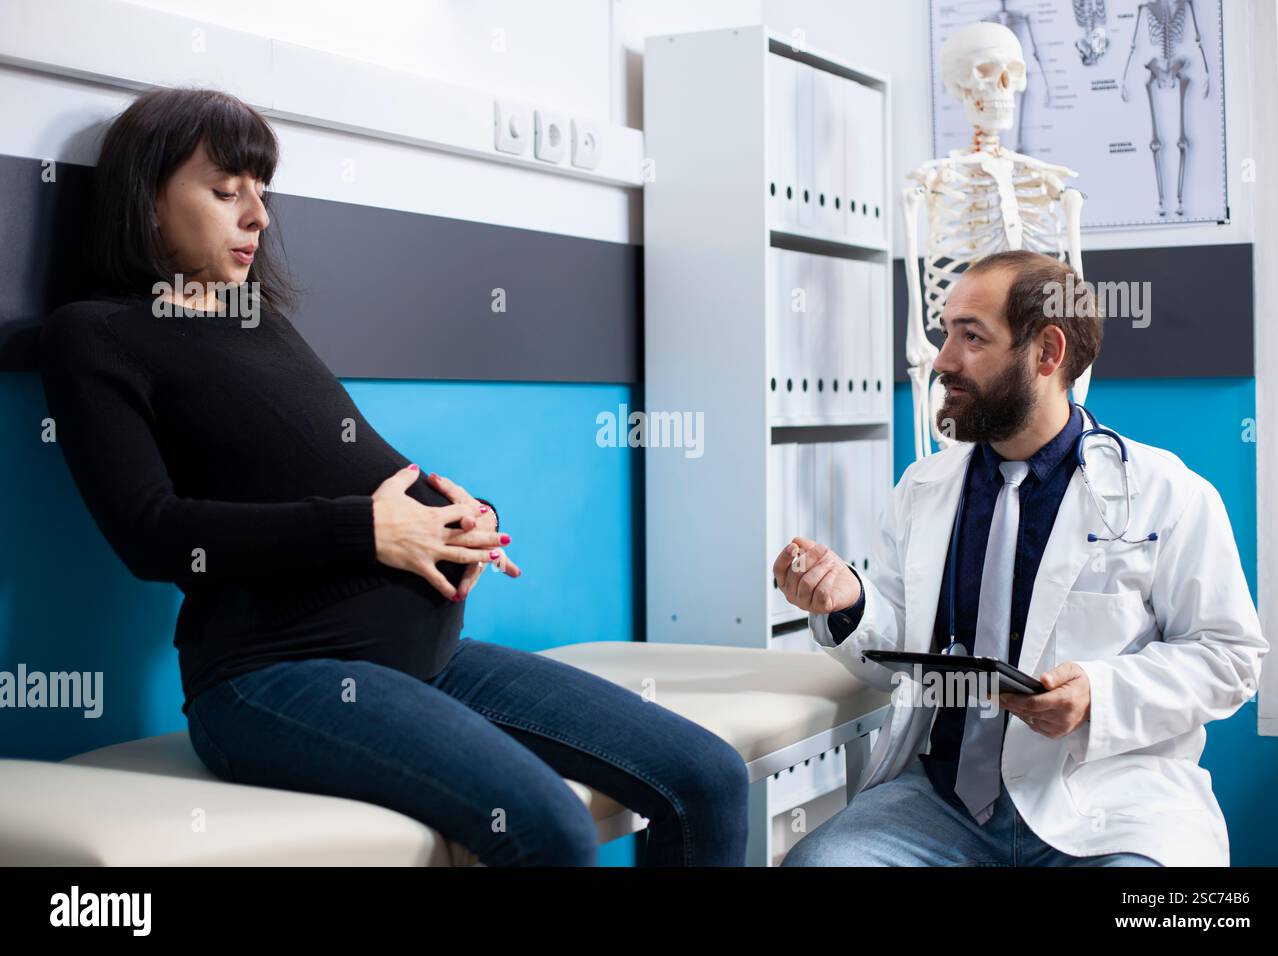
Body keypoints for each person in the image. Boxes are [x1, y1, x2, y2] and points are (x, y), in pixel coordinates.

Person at [38, 86, 749, 867]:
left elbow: (370, 468)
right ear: (146, 201)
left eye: (262, 194)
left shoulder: (256, 321)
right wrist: (367, 529)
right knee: (548, 827)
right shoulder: (96, 336)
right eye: (225, 191)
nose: (258, 217)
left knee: (708, 778)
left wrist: (464, 521)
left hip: (428, 661)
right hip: (274, 679)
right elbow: (152, 534)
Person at [774, 249, 1266, 867]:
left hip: (1106, 799)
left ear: (1047, 353)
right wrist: (849, 603)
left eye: (971, 338)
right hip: (938, 802)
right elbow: (906, 648)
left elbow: (1230, 658)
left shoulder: (1167, 494)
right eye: (945, 335)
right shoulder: (923, 490)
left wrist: (1099, 692)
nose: (944, 363)